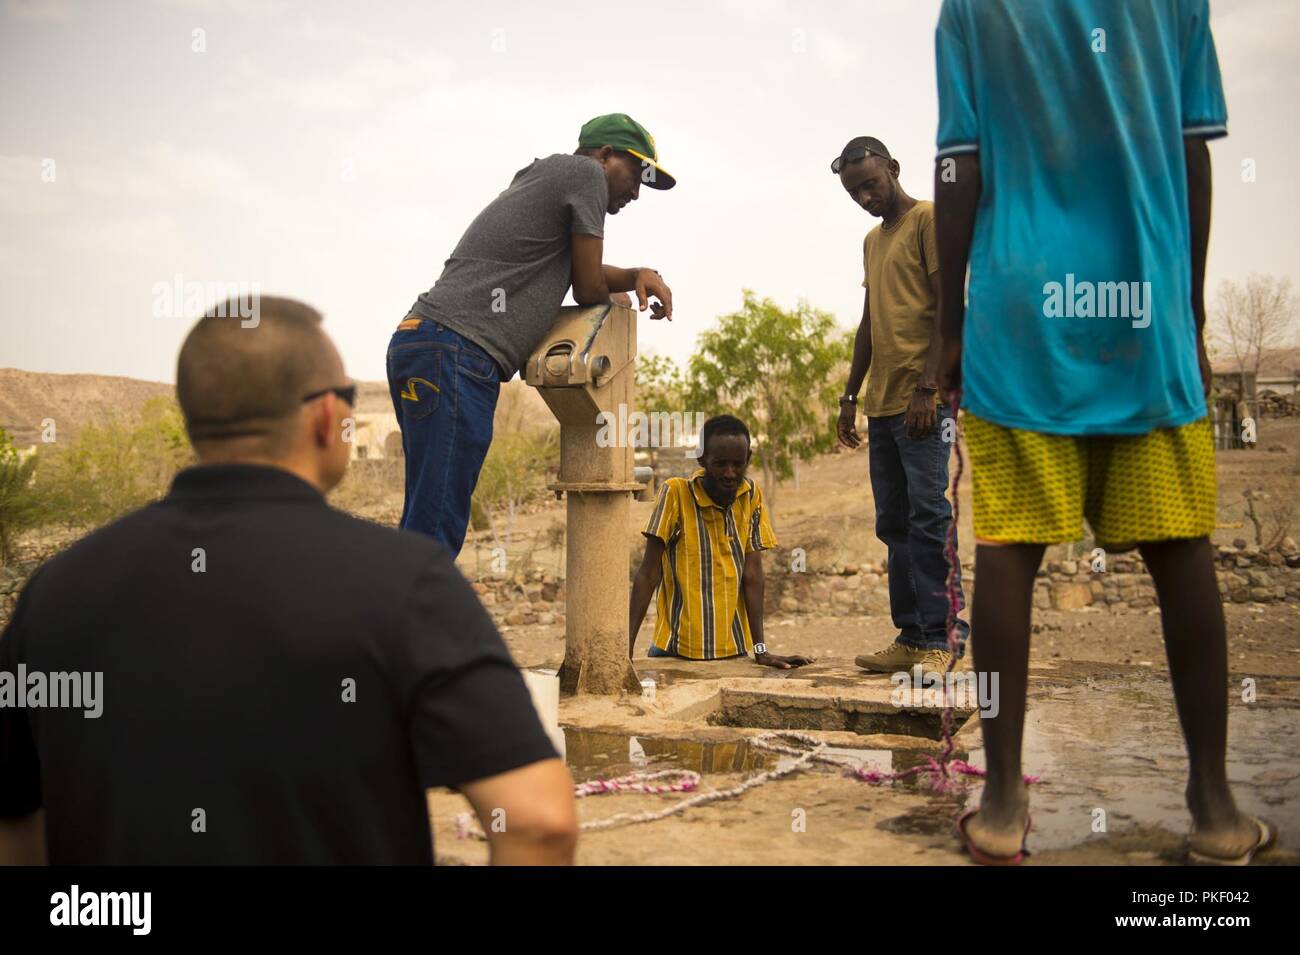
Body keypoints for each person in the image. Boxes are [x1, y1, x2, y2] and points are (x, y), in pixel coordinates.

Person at [0, 297, 577, 865]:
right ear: (328, 417)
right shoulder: (406, 582)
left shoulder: (55, 593)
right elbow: (538, 824)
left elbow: (16, 829)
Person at [933, 0, 1276, 864]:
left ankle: (1003, 801)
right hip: (1146, 308)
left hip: (1018, 309)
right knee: (1181, 545)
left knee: (1007, 549)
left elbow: (956, 167)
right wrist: (1189, 311)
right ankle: (1216, 804)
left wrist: (949, 328)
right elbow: (1195, 151)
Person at [390, 113, 676, 557]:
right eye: (636, 174)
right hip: (457, 350)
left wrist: (635, 275)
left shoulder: (543, 176)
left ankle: (388, 620)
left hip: (424, 341)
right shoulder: (584, 175)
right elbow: (585, 284)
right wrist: (610, 292)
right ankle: (401, 624)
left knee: (426, 514)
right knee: (436, 528)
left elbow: (575, 268)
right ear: (604, 156)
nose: (637, 191)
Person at [833, 136, 969, 678]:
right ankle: (912, 635)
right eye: (854, 191)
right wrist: (849, 396)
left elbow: (947, 309)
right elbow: (869, 323)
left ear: (892, 168)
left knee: (929, 515)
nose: (865, 196)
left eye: (871, 183)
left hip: (922, 400)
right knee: (894, 523)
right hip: (882, 401)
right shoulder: (872, 240)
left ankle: (944, 637)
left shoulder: (929, 220)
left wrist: (929, 389)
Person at [629, 415, 814, 669]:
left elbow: (753, 574)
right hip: (674, 651)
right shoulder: (676, 494)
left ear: (748, 459)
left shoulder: (751, 495)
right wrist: (623, 654)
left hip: (733, 651)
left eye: (738, 464)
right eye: (720, 464)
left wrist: (761, 650)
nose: (730, 473)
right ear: (702, 459)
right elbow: (648, 574)